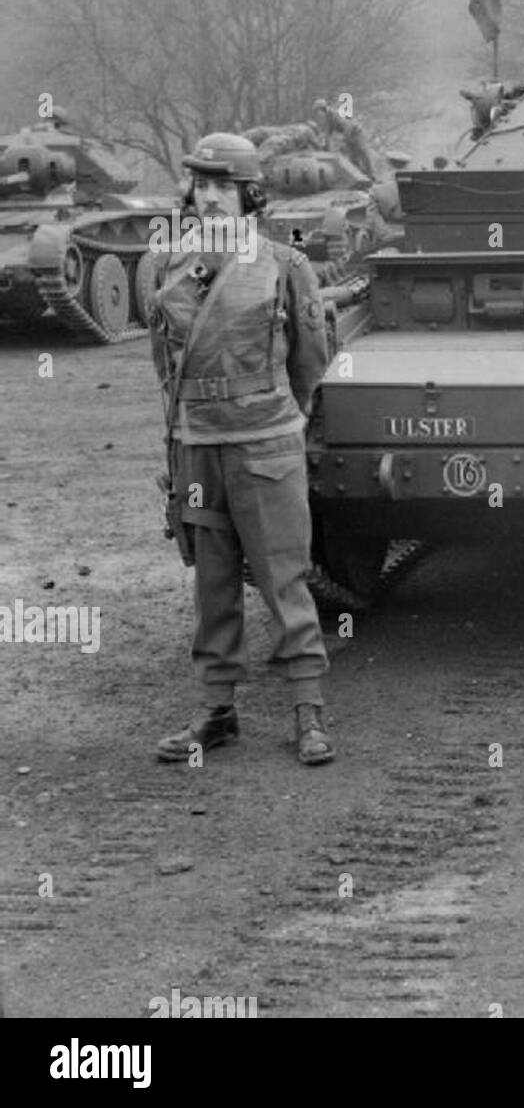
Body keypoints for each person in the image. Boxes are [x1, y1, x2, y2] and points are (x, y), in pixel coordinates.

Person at [148, 132, 335, 766]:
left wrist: (283, 423)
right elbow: (165, 369)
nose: (213, 198)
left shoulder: (287, 265)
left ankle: (307, 710)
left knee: (286, 579)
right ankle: (216, 709)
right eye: (203, 186)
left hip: (265, 444)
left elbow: (311, 365)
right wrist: (174, 450)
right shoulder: (170, 266)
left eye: (226, 186)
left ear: (250, 195)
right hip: (199, 444)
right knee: (214, 584)